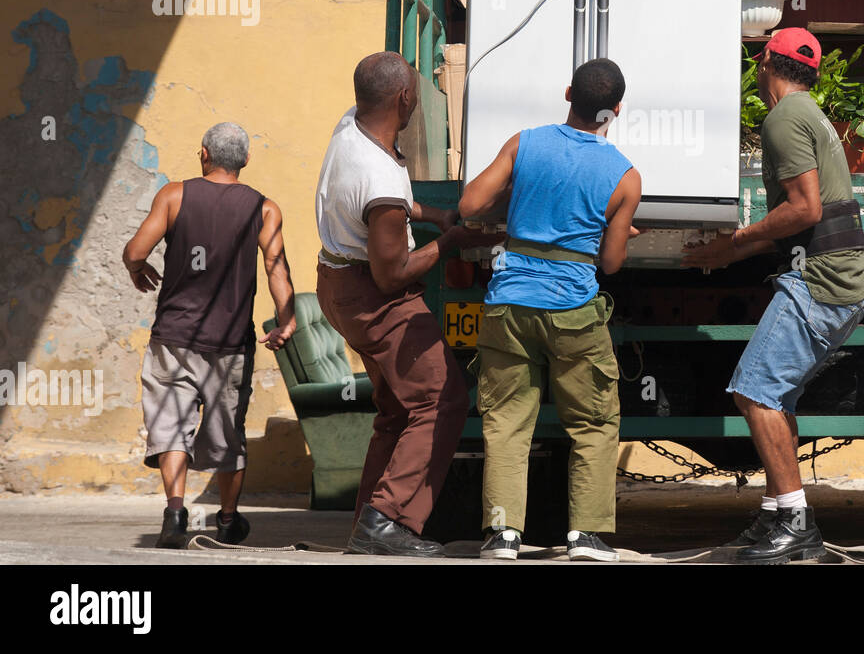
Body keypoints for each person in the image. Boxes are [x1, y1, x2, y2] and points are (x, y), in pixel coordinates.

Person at [682, 28, 864, 564]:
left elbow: (805, 210)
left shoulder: (785, 118)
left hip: (820, 283)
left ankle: (795, 523)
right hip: (833, 279)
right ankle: (776, 513)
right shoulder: (811, 113)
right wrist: (727, 253)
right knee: (775, 395)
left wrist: (737, 238)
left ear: (766, 63)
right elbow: (797, 221)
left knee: (755, 391)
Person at [460, 58, 641, 562]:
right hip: (574, 311)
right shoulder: (625, 176)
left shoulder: (524, 143)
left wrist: (521, 202)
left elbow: (470, 204)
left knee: (507, 424)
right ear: (615, 111)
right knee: (594, 422)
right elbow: (611, 263)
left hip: (509, 304)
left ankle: (502, 536)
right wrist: (615, 229)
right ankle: (585, 536)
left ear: (567, 94)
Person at [315, 51, 475, 558]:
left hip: (338, 282)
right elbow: (393, 274)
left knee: (395, 411)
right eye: (414, 95)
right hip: (374, 295)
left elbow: (393, 207)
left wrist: (434, 214)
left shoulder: (353, 126)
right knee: (442, 399)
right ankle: (385, 521)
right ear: (404, 98)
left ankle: (370, 524)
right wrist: (447, 243)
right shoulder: (378, 177)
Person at [123, 122, 296, 549]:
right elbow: (276, 268)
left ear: (203, 154)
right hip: (230, 343)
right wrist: (286, 319)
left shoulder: (174, 195)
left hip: (172, 339)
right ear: (246, 161)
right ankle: (227, 521)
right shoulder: (265, 209)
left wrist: (136, 268)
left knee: (171, 428)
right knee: (227, 435)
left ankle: (175, 515)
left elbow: (134, 251)